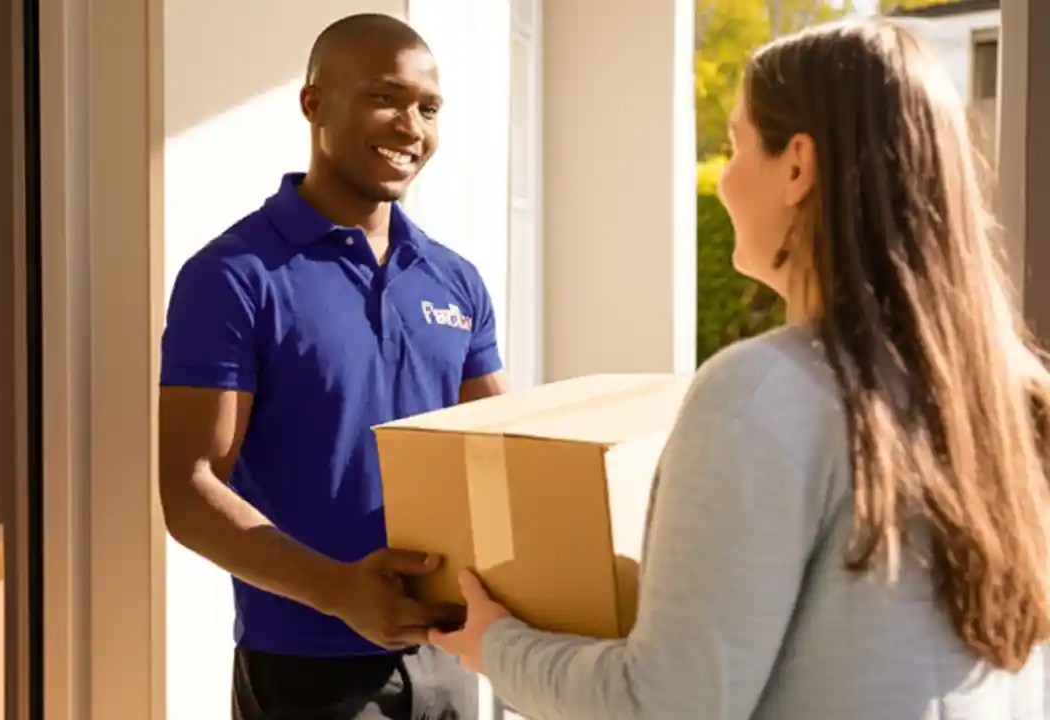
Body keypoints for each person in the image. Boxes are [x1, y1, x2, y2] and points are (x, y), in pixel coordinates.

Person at [431, 18, 1050, 719]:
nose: (723, 180)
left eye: (734, 145)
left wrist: (497, 644)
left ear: (797, 167)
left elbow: (668, 705)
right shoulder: (1011, 394)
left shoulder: (762, 394)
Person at [158, 12, 507, 720]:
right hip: (303, 672)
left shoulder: (455, 282)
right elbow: (189, 491)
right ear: (313, 104)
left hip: (451, 654)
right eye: (385, 97)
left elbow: (498, 459)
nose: (411, 126)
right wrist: (339, 591)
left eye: (428, 106)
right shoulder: (233, 276)